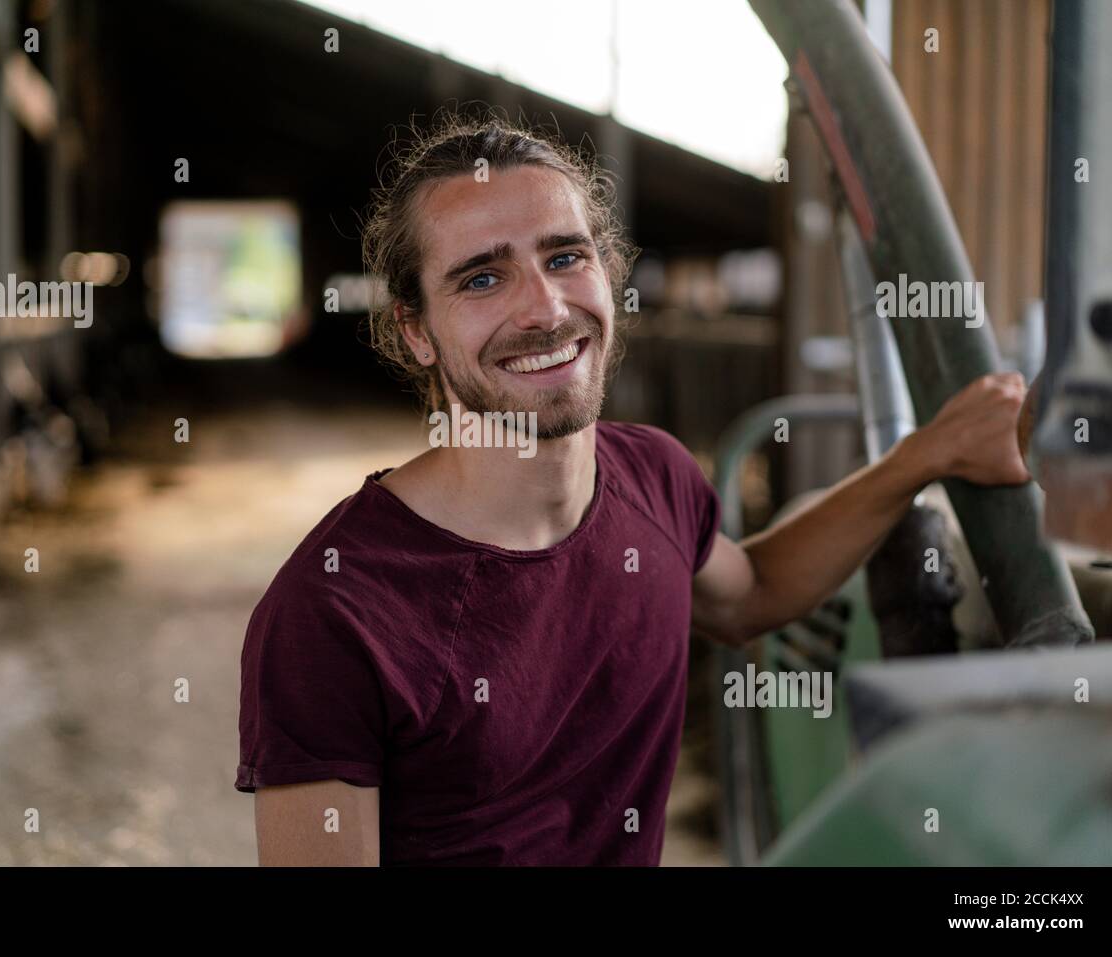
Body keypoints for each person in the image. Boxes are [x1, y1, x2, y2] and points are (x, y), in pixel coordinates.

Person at [236, 113, 1030, 866]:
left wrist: (927, 454)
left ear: (609, 272)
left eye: (564, 257)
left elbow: (751, 591)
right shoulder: (332, 611)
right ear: (414, 329)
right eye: (482, 278)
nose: (544, 309)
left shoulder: (655, 475)